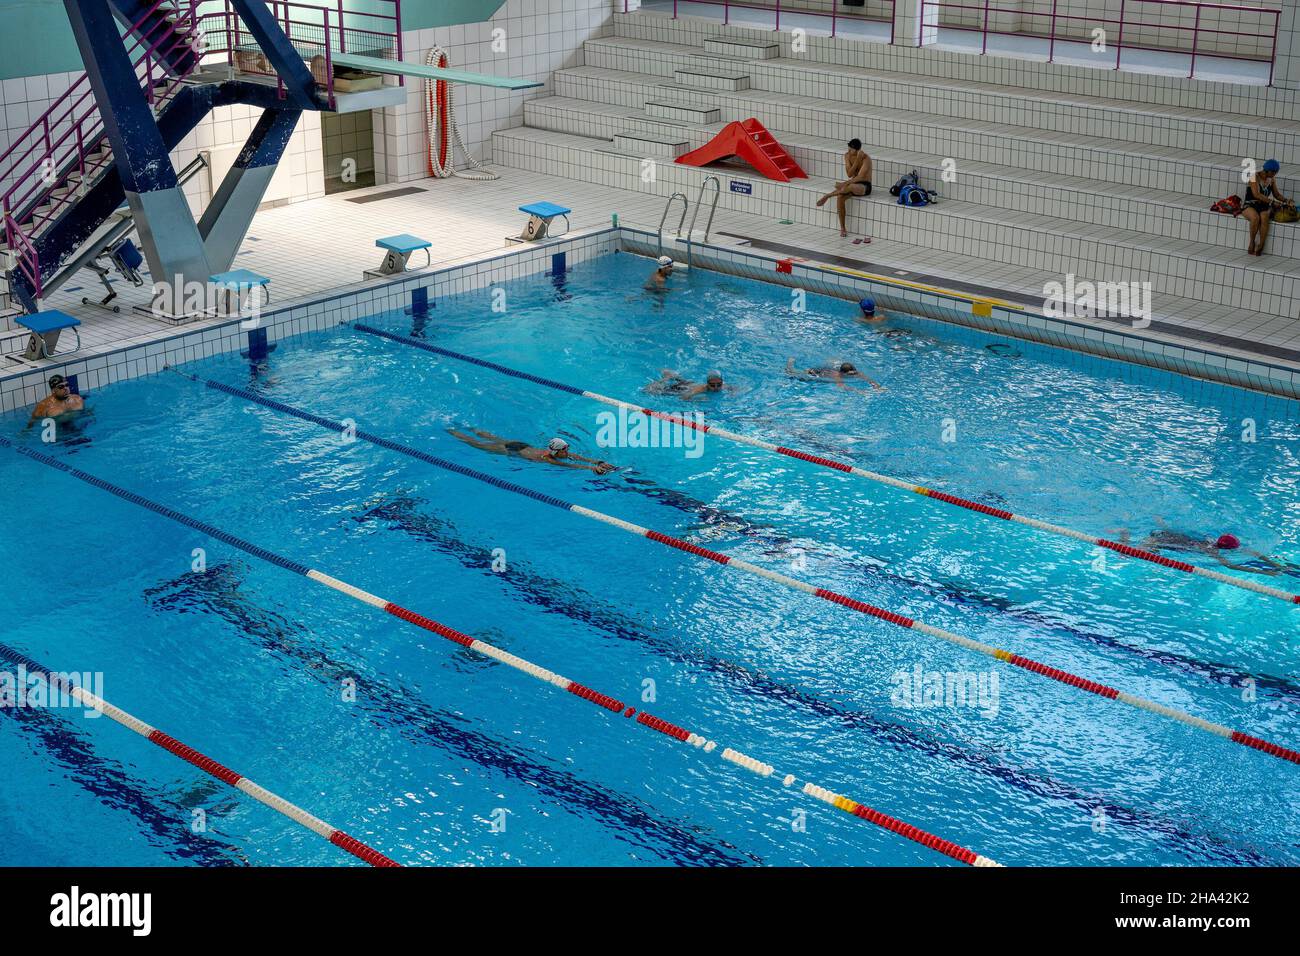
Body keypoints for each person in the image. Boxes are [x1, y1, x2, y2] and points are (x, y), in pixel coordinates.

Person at [1117, 523, 1285, 576]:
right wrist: (1267, 572)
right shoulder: (1212, 551)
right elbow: (1230, 566)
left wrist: (1272, 564)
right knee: (1125, 556)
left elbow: (1255, 553)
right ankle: (1124, 534)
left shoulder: (1213, 541)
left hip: (1168, 536)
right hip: (1159, 541)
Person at [447, 430, 615, 474]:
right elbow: (569, 466)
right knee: (477, 444)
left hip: (521, 445)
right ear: (558, 451)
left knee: (490, 436)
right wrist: (590, 469)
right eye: (566, 449)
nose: (568, 450)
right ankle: (453, 432)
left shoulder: (558, 453)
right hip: (511, 450)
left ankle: (468, 427)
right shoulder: (548, 459)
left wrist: (597, 462)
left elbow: (577, 458)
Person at [815, 138, 873, 238]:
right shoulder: (847, 156)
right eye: (849, 148)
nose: (849, 151)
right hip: (851, 184)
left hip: (864, 186)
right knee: (840, 197)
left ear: (857, 150)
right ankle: (843, 228)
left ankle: (828, 195)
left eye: (851, 149)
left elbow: (860, 177)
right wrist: (856, 161)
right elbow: (849, 174)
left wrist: (844, 184)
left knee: (849, 186)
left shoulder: (866, 158)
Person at [1243, 159, 1293, 256]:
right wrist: (1272, 202)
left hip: (1263, 205)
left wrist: (1286, 201)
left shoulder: (1272, 179)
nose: (1274, 174)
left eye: (1275, 172)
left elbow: (1277, 195)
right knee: (1255, 218)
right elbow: (1256, 194)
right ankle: (1252, 242)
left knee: (1264, 216)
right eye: (1273, 172)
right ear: (1266, 170)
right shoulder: (1254, 177)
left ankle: (1261, 244)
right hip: (1250, 204)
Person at [786, 358, 884, 392]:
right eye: (850, 374)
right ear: (843, 373)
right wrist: (858, 391)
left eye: (854, 373)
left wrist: (877, 387)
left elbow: (869, 379)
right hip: (818, 373)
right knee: (793, 374)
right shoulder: (837, 375)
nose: (853, 375)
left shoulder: (857, 372)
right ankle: (790, 364)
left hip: (829, 369)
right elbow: (841, 386)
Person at [646, 368, 725, 399]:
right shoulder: (700, 389)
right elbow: (683, 397)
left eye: (719, 384)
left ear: (722, 382)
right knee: (650, 391)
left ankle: (671, 375)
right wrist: (697, 400)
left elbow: (734, 388)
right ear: (707, 383)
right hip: (682, 388)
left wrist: (733, 393)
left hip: (689, 383)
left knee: (680, 380)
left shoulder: (723, 386)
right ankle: (666, 378)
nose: (716, 387)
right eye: (712, 385)